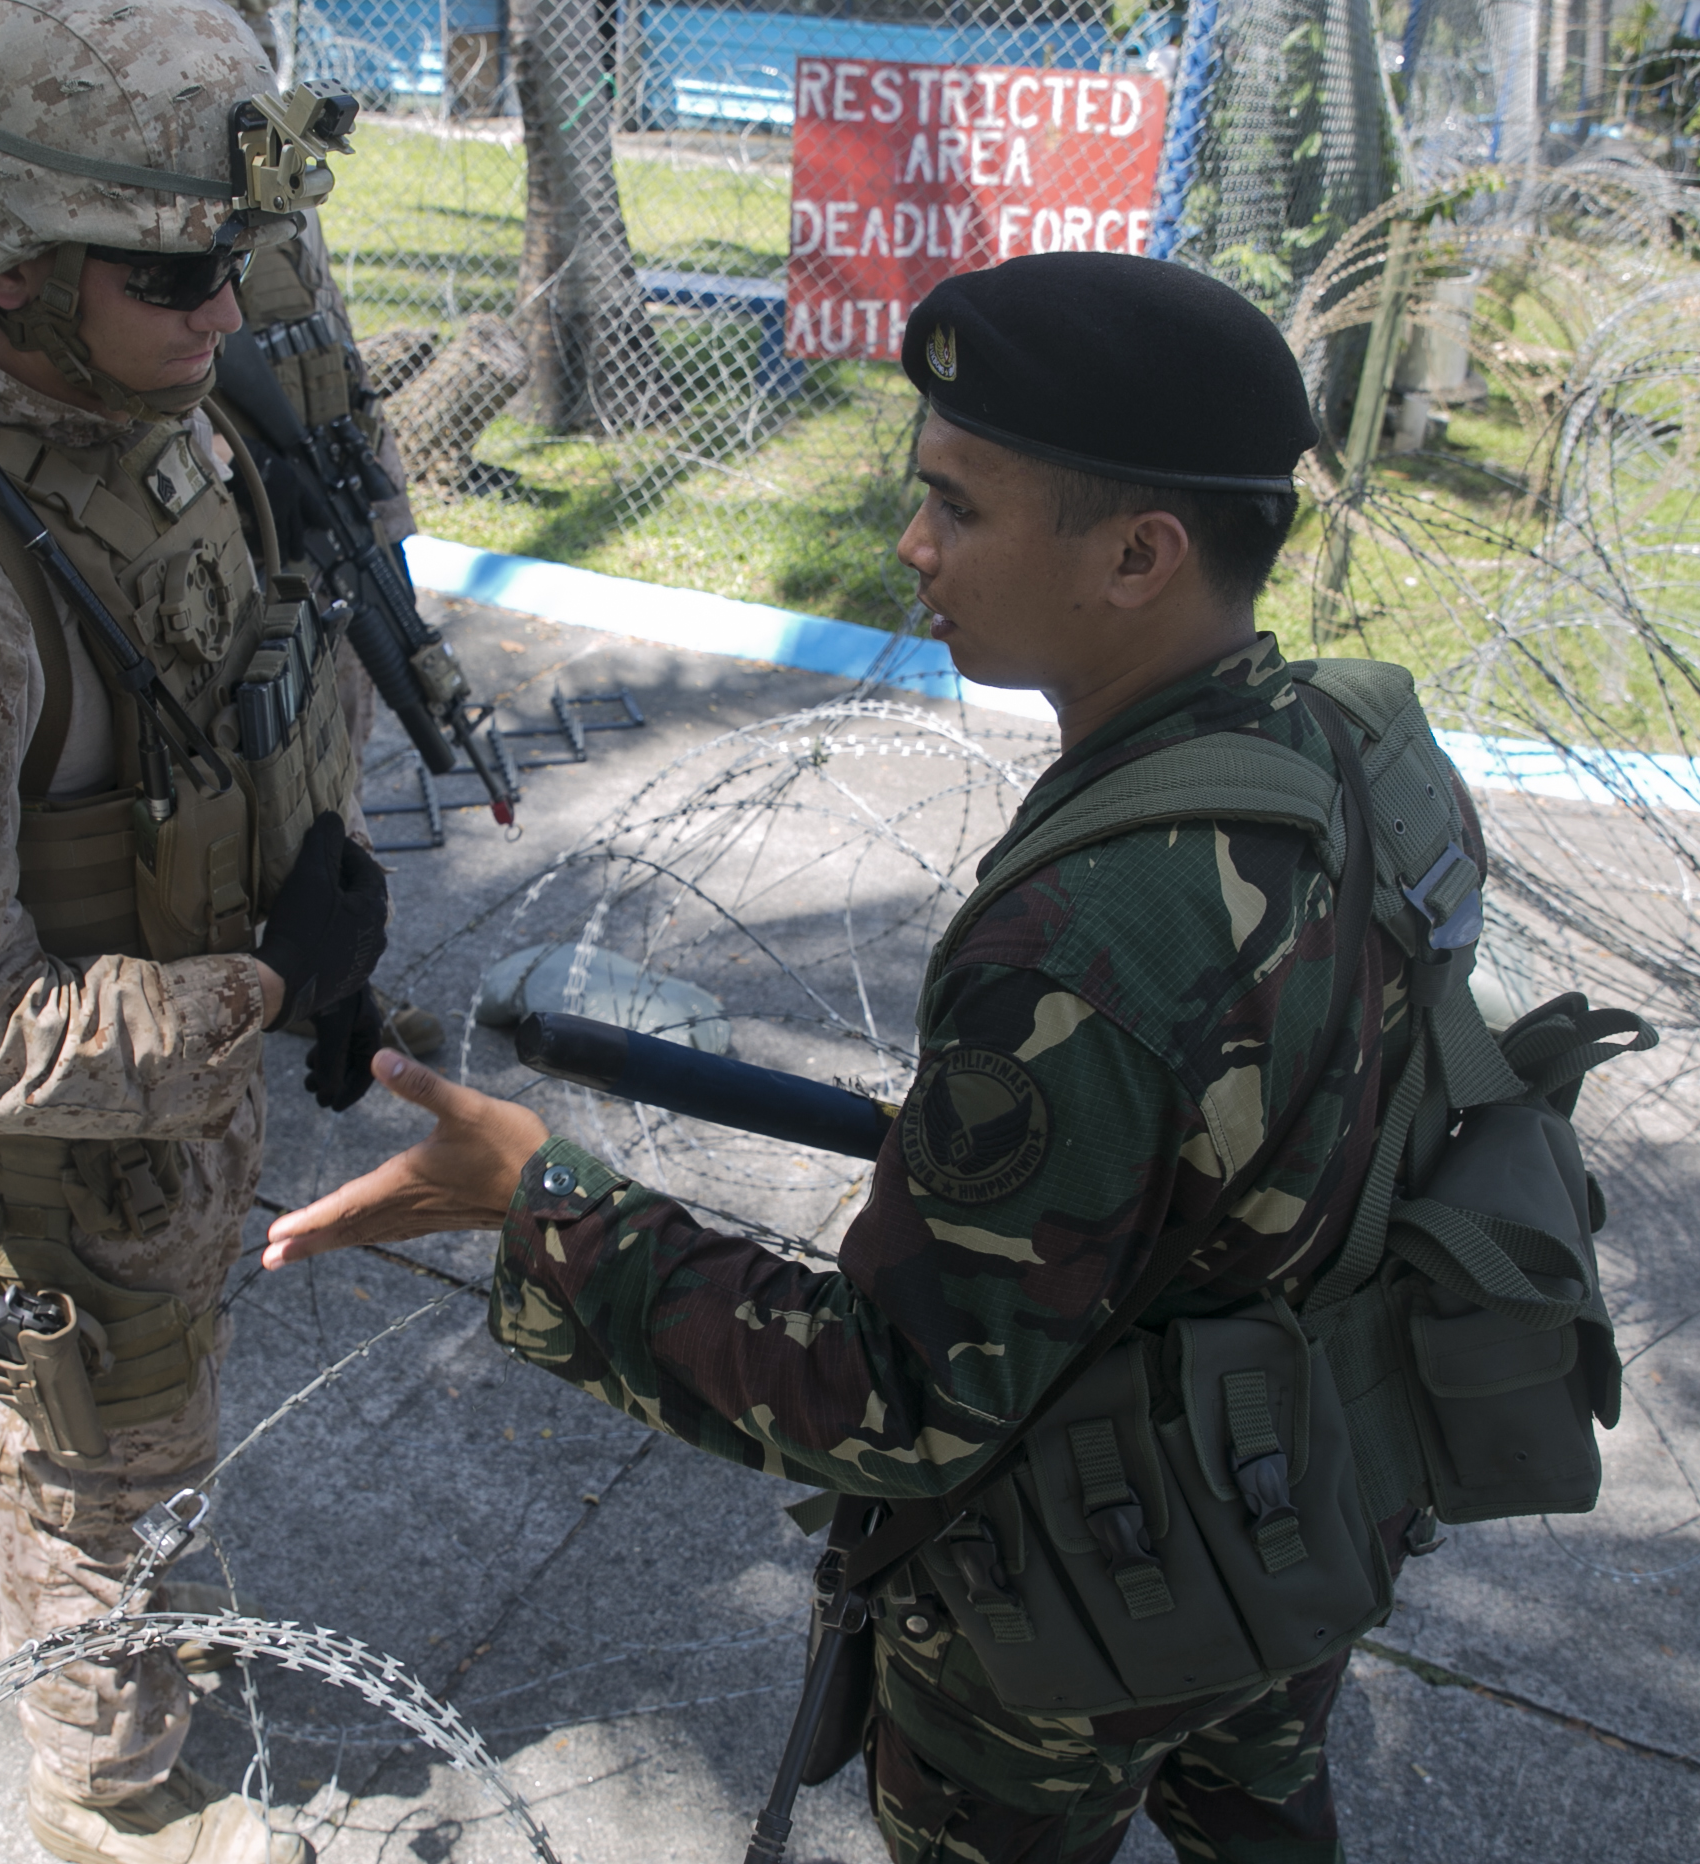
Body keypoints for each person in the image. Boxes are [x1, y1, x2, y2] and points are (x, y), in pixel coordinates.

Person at [258, 254, 1471, 1863]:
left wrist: (532, 1199)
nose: (911, 545)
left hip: (1090, 1596)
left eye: (956, 508)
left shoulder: (1085, 948)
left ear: (1137, 552)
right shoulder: (1350, 735)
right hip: (1304, 1495)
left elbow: (888, 1400)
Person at [0, 0, 388, 1860]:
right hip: (53, 1174)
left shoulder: (149, 427)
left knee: (152, 1474)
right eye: (179, 275)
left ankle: (153, 1680)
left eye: (242, 260)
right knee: (86, 1512)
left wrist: (305, 904)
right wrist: (261, 993)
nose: (228, 311)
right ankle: (111, 1806)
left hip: (168, 1134)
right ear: (13, 265)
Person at [128, 0, 447, 1060]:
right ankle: (252, 993)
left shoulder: (271, 189)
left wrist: (379, 531)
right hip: (215, 547)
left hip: (312, 526)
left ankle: (330, 983)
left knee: (322, 762)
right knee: (218, 795)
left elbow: (326, 358)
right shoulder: (124, 204)